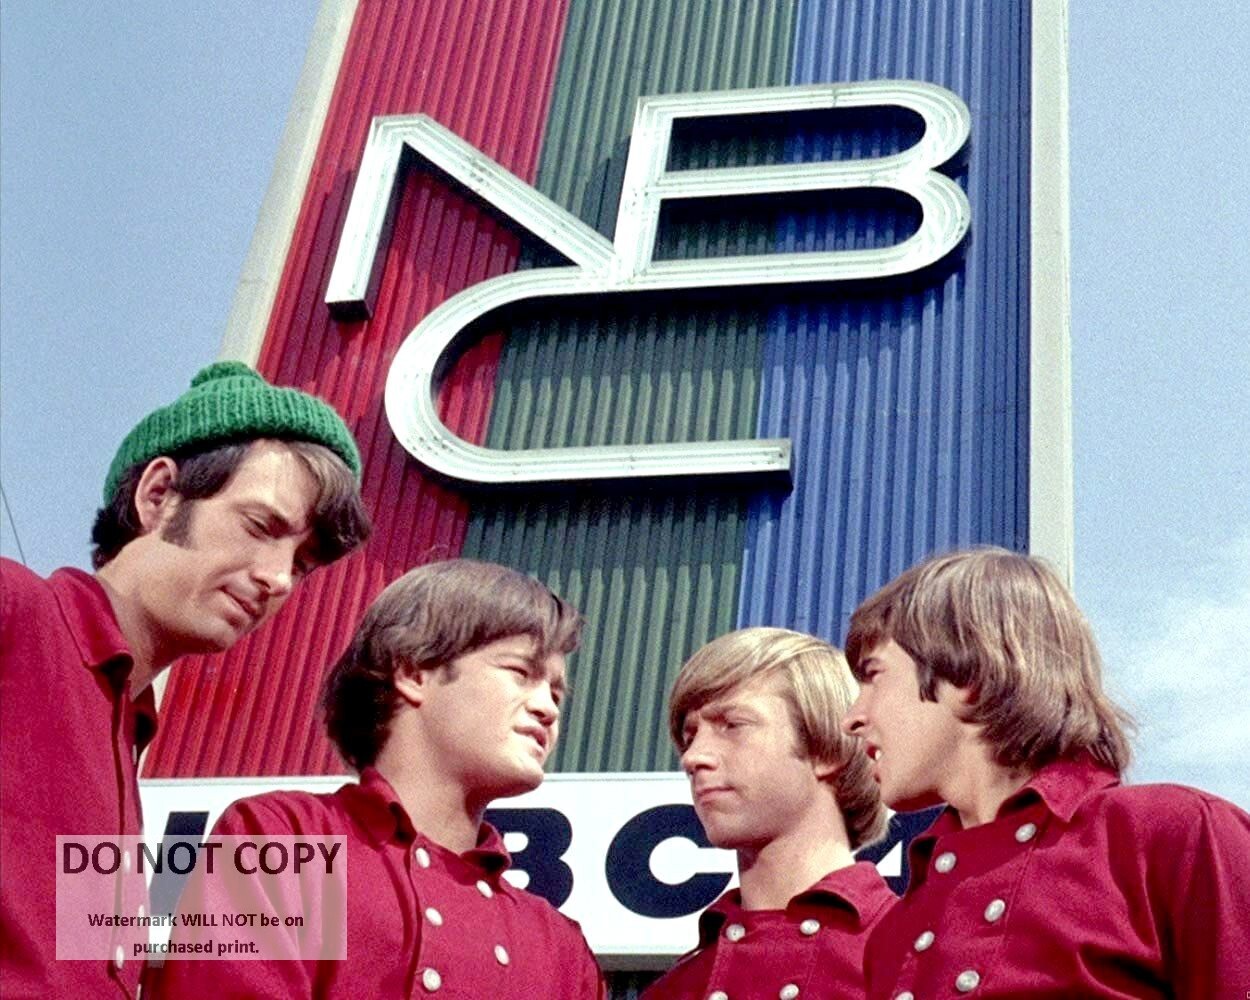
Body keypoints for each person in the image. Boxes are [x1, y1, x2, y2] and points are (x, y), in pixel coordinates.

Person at [0, 361, 371, 999]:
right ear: (157, 495)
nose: (278, 579)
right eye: (260, 527)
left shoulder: (125, 737)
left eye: (303, 564)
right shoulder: (14, 611)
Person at [144, 559, 605, 998]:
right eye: (521, 673)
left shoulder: (560, 949)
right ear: (413, 671)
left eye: (556, 691)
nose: (548, 707)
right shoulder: (284, 838)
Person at [841, 547, 1250, 999]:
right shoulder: (892, 935)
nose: (853, 717)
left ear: (967, 675)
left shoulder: (1177, 835)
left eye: (873, 676)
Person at [644, 627, 894, 1000]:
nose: (692, 757)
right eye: (689, 733)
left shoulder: (912, 957)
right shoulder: (675, 989)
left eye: (732, 725)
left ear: (828, 749)